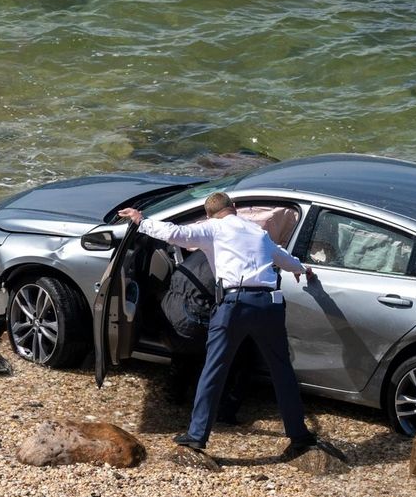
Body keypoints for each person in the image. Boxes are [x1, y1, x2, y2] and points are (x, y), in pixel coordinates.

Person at [117, 192, 342, 460]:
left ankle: (197, 436)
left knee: (214, 370)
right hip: (269, 306)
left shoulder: (212, 228)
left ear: (210, 214)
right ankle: (299, 434)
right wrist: (300, 269)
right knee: (282, 372)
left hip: (234, 305)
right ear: (234, 209)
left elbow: (176, 234)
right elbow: (280, 255)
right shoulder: (257, 231)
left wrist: (141, 221)